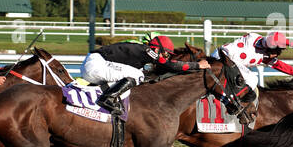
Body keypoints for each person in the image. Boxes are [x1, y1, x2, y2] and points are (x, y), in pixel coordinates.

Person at [79, 35, 207, 113]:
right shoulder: (148, 50)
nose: (165, 57)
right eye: (166, 54)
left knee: (137, 74)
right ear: (157, 49)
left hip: (93, 65)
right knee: (137, 75)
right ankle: (108, 99)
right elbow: (170, 65)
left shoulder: (143, 53)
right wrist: (197, 65)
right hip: (95, 64)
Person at [217, 31, 293, 93]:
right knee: (252, 79)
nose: (275, 56)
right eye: (275, 52)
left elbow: (280, 65)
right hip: (223, 56)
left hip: (226, 60)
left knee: (247, 79)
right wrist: (291, 44)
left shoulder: (264, 55)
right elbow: (274, 38)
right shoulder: (253, 38)